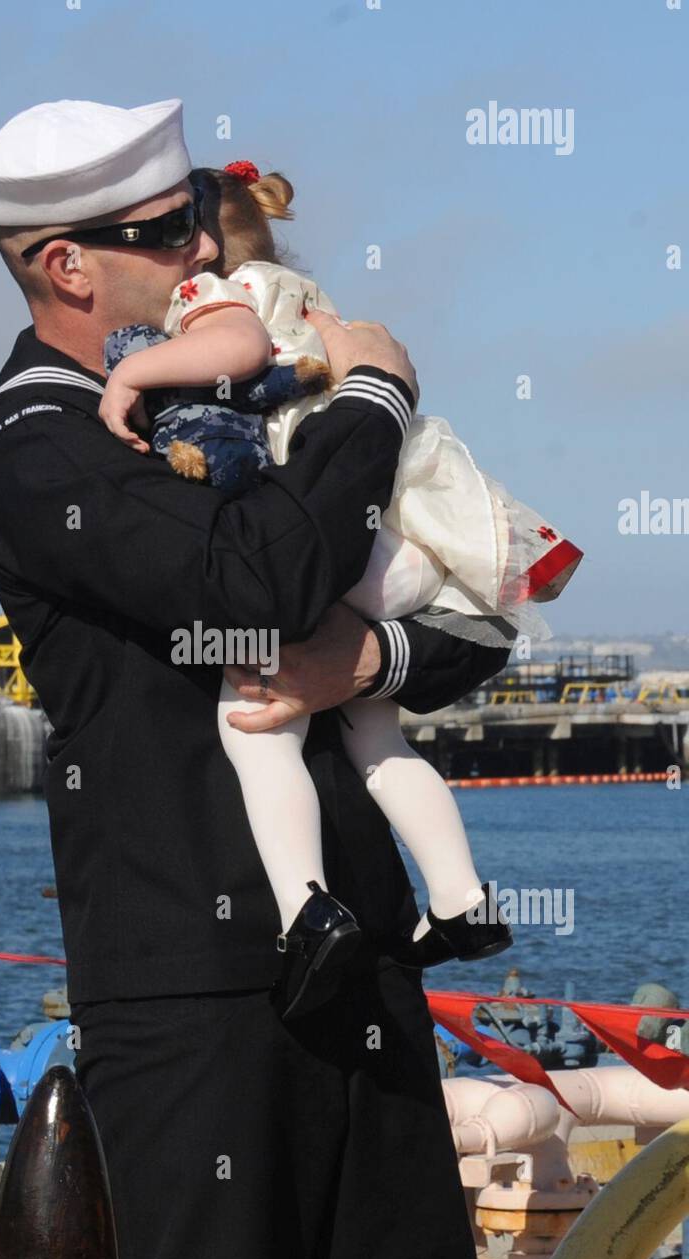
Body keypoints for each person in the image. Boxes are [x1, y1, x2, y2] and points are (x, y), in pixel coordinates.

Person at [0, 97, 512, 1259]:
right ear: (64, 265)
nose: (203, 249)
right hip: (197, 1007)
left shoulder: (247, 396)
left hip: (360, 967)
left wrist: (367, 668)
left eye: (198, 219)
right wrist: (374, 403)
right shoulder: (40, 443)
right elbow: (257, 577)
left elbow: (475, 613)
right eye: (166, 232)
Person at [96, 161, 583, 1020]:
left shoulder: (220, 295)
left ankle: (308, 913)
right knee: (375, 736)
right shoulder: (308, 294)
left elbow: (237, 354)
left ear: (202, 243)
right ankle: (462, 902)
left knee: (252, 729)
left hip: (336, 548)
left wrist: (135, 375)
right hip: (394, 553)